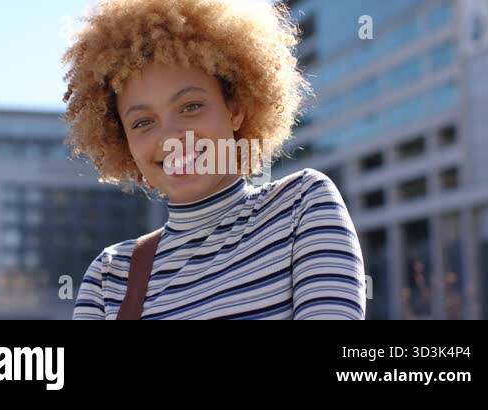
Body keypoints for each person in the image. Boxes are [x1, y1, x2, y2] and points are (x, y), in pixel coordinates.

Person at [64, 0, 366, 319]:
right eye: (142, 123)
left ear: (234, 108)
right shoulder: (109, 278)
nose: (171, 138)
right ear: (124, 141)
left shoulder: (301, 207)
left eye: (190, 106)